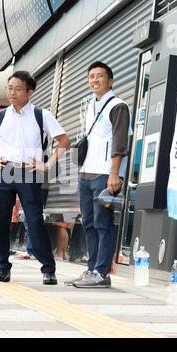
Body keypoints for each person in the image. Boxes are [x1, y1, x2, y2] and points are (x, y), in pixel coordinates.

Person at [0, 71, 69, 285]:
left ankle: (48, 269)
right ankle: (2, 267)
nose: (12, 93)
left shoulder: (41, 115)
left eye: (18, 89)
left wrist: (47, 165)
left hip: (29, 172)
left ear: (30, 91)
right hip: (4, 171)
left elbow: (64, 141)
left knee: (34, 221)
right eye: (9, 88)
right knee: (0, 221)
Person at [71, 62, 130, 289]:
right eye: (91, 76)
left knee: (102, 224)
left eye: (100, 76)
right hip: (86, 173)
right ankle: (92, 268)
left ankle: (102, 272)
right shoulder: (91, 105)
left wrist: (114, 173)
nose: (94, 80)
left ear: (111, 81)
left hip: (105, 174)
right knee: (88, 222)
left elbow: (120, 142)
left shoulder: (118, 105)